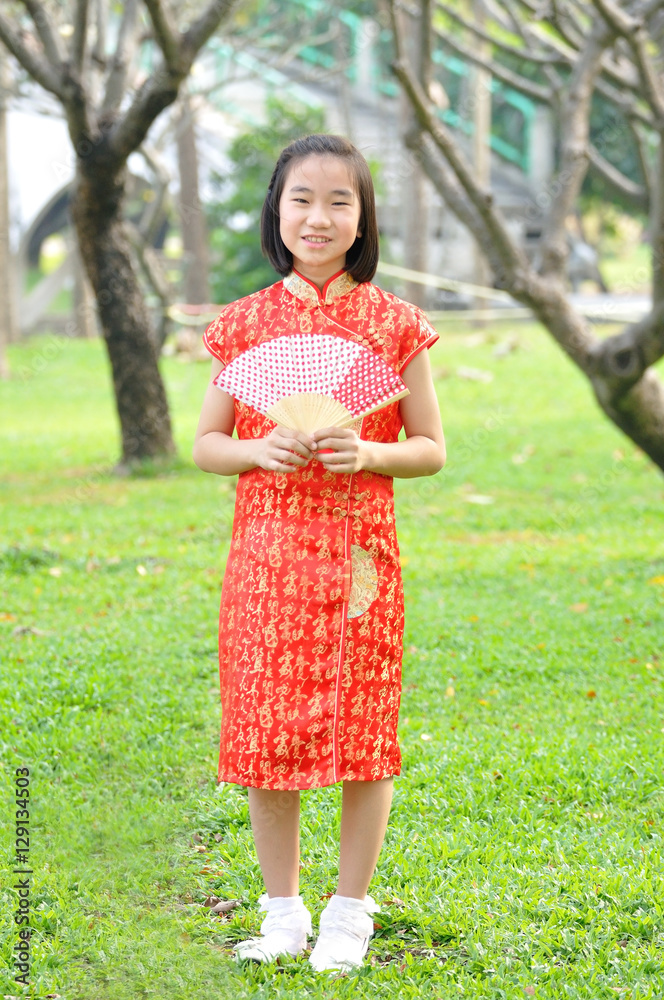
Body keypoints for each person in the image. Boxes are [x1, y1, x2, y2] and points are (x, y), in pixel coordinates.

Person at [193, 133, 445, 972]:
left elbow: (431, 447)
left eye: (341, 201)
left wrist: (370, 453)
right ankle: (282, 910)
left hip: (361, 560)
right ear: (277, 209)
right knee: (268, 726)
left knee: (361, 727)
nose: (320, 216)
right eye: (302, 197)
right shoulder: (244, 323)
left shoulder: (393, 324)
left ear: (364, 217)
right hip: (265, 555)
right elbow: (206, 443)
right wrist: (259, 451)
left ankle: (349, 909)